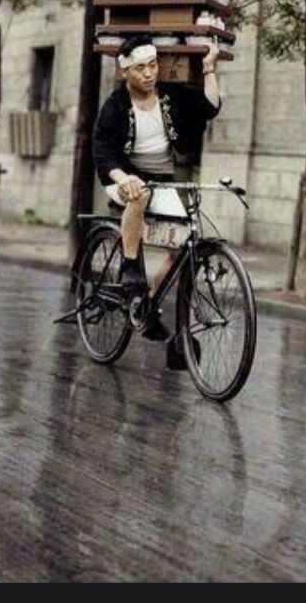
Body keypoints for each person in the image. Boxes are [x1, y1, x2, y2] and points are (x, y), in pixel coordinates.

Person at [91, 33, 221, 365]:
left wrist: (208, 69)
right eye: (140, 68)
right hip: (121, 176)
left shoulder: (170, 97)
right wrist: (124, 178)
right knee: (139, 194)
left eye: (152, 65)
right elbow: (102, 151)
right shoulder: (116, 105)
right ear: (125, 73)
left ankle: (145, 304)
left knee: (185, 240)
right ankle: (132, 271)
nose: (149, 74)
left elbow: (208, 108)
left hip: (161, 181)